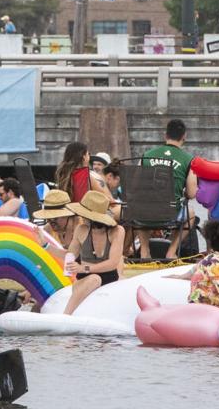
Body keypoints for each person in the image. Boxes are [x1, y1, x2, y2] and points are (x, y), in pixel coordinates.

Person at [61, 191, 126, 315]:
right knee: (94, 279)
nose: (81, 217)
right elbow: (69, 255)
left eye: (83, 214)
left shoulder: (117, 231)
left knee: (124, 280)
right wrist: (46, 246)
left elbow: (112, 263)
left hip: (109, 278)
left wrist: (83, 268)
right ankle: (66, 315)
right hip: (84, 281)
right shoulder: (81, 230)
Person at [140, 119, 197, 259]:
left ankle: (144, 249)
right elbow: (192, 193)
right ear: (184, 136)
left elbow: (136, 186)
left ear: (165, 135)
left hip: (144, 213)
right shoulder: (189, 159)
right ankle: (171, 252)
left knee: (140, 206)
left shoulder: (146, 155)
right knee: (191, 214)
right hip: (170, 214)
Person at [30, 189, 77, 257]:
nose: (51, 222)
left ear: (67, 215)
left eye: (54, 218)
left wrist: (46, 245)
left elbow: (71, 256)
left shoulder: (79, 226)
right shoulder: (47, 229)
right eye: (48, 218)